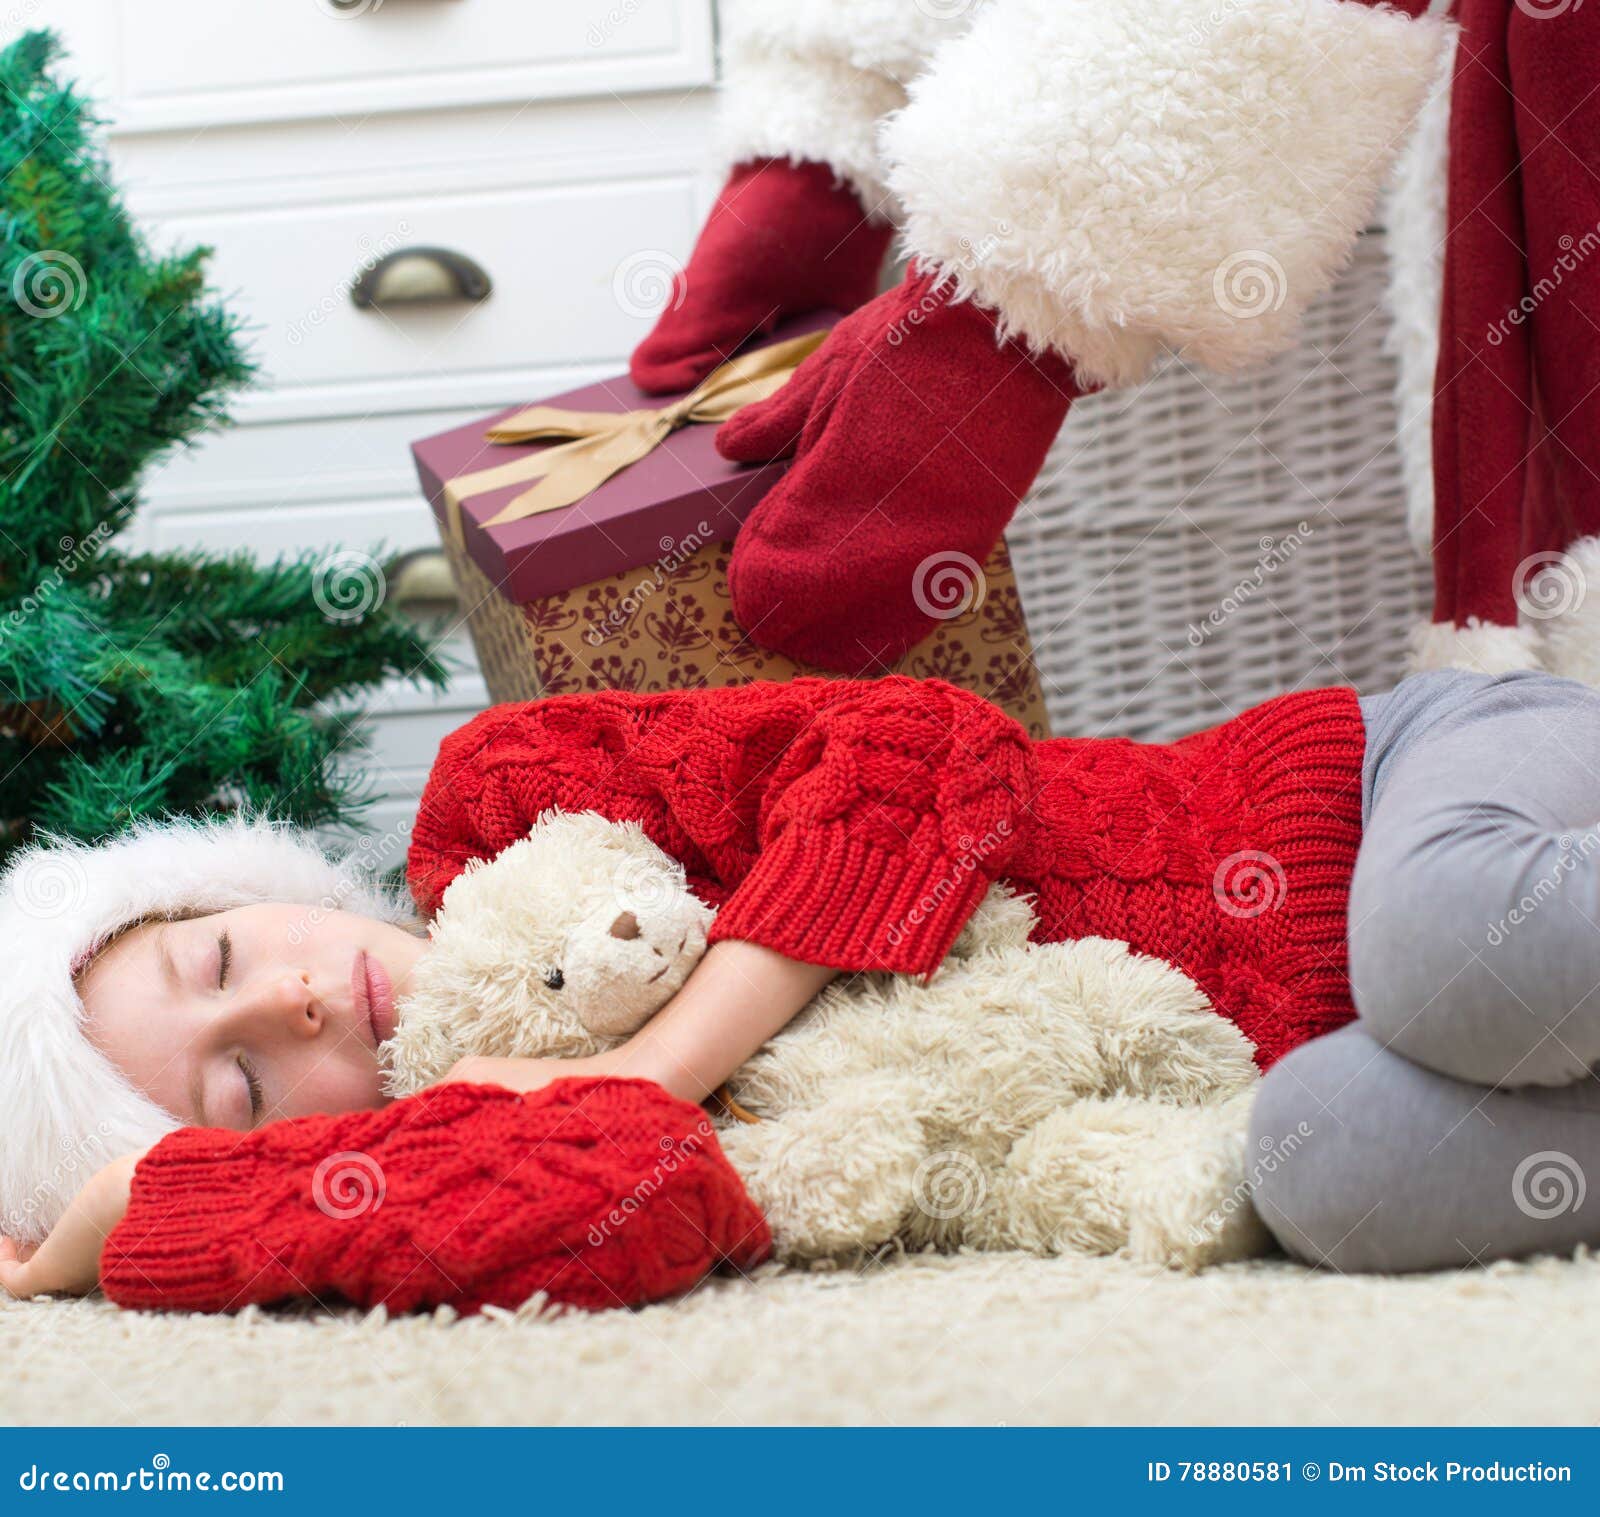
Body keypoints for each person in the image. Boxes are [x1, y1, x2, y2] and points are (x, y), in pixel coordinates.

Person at [0, 667, 1595, 1307]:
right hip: (1309, 1054)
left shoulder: (512, 800)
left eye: (217, 955)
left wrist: (668, 1051)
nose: (285, 1007)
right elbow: (640, 1195)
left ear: (233, 879)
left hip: (1392, 791)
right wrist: (147, 1213)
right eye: (239, 1094)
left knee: (1447, 945)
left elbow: (927, 745)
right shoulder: (485, 1133)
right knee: (1324, 1170)